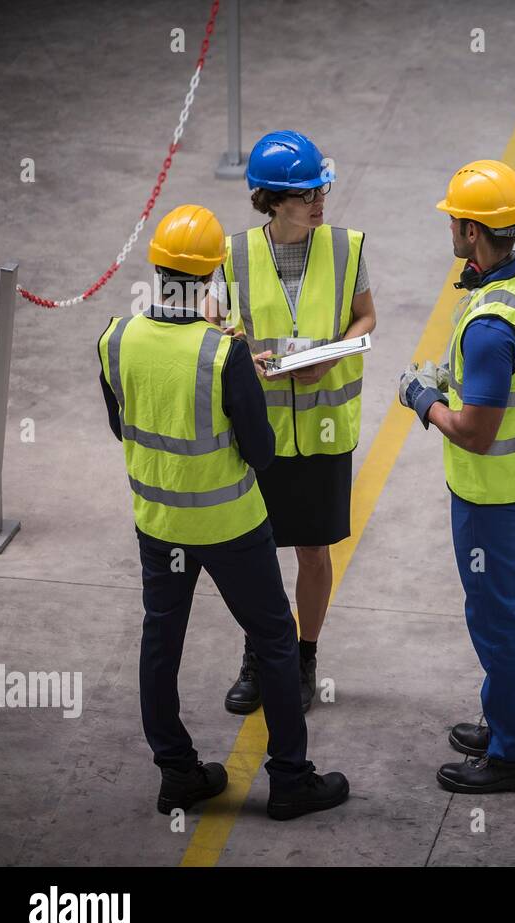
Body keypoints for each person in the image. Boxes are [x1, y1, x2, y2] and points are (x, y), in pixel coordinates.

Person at [98, 204, 349, 820]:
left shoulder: (115, 338)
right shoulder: (222, 353)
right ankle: (290, 779)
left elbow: (120, 425)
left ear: (156, 268)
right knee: (275, 644)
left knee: (161, 644)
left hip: (159, 526)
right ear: (213, 276)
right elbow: (260, 453)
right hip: (231, 527)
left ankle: (178, 773)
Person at [399, 160, 515, 793]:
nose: (450, 231)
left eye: (455, 222)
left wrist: (423, 397)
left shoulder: (492, 326)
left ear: (473, 231)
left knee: (495, 615)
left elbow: (474, 430)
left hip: (490, 490)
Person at [205, 130, 377, 715]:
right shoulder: (234, 255)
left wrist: (334, 353)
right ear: (273, 201)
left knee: (313, 552)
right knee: (256, 556)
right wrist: (242, 358)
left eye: (321, 188)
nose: (319, 201)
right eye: (305, 194)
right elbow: (215, 330)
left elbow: (365, 319)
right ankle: (260, 654)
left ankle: (302, 659)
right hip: (263, 433)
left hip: (325, 431)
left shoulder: (347, 247)